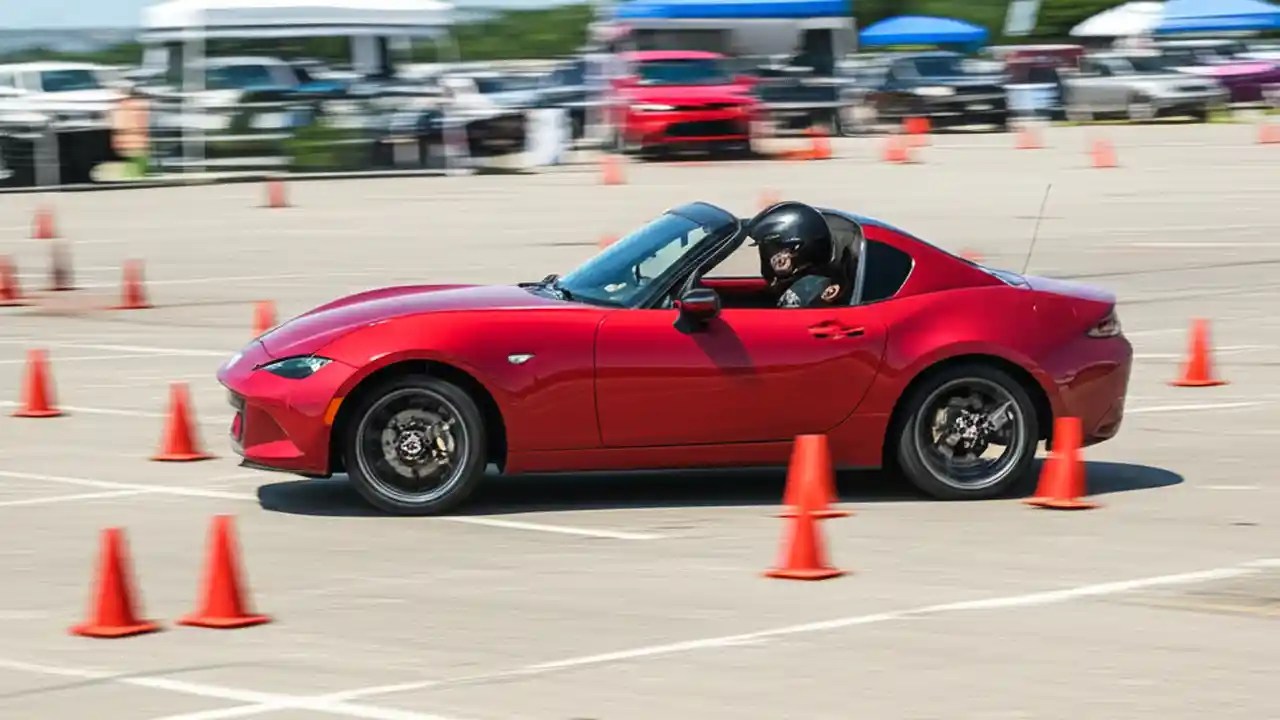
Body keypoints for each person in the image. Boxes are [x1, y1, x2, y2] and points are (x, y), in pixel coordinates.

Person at [747, 201, 852, 308]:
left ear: (795, 251)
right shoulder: (792, 285)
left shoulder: (806, 292)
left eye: (772, 251)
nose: (768, 258)